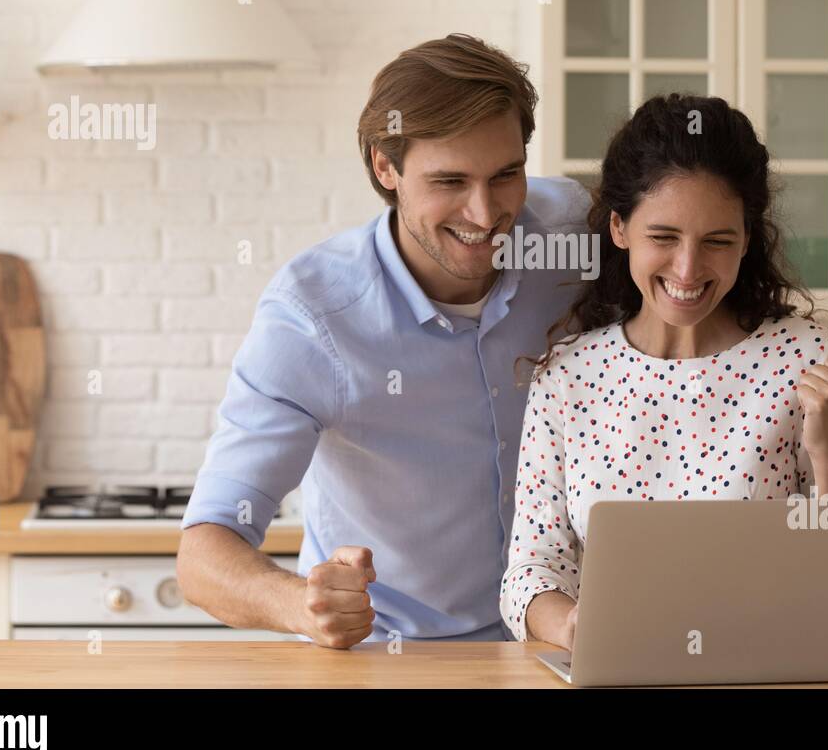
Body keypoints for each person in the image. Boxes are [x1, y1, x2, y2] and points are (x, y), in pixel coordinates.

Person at [177, 34, 590, 647]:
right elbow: (205, 552)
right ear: (384, 167)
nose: (484, 214)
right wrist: (302, 604)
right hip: (394, 659)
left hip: (561, 645)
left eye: (506, 174)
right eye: (449, 181)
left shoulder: (574, 236)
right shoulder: (313, 317)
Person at [499, 94, 828, 649]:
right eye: (663, 237)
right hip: (617, 677)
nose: (688, 269)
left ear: (747, 238)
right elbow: (532, 569)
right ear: (620, 228)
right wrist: (573, 627)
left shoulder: (811, 362)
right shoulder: (569, 375)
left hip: (767, 677)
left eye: (717, 241)